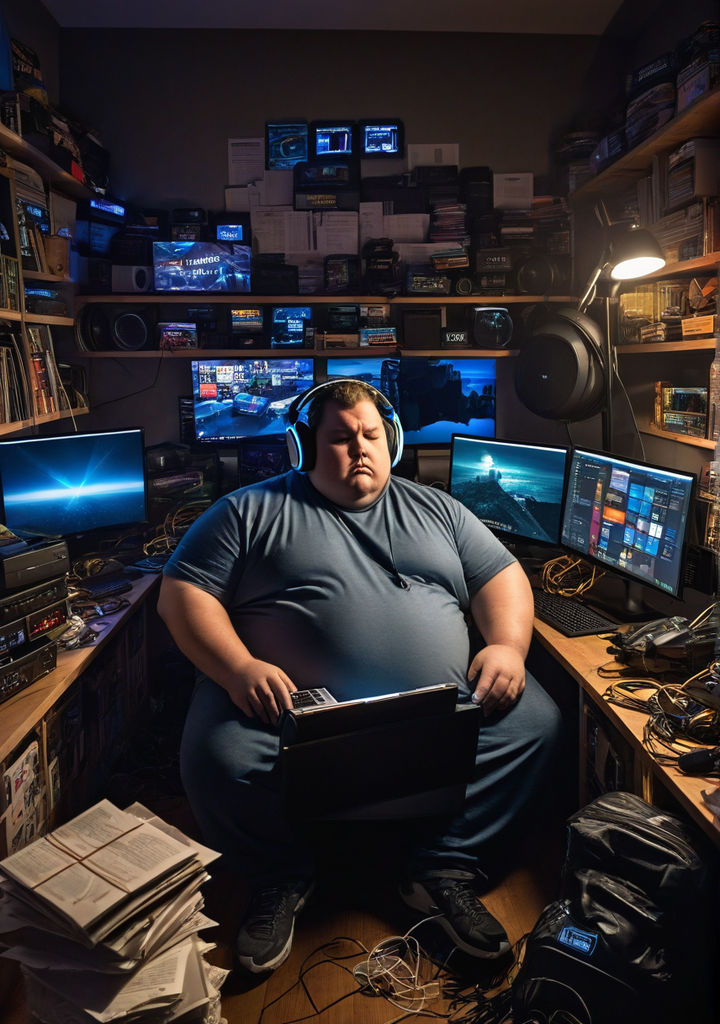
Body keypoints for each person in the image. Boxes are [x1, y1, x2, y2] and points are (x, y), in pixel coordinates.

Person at [157, 378, 561, 976]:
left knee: (536, 723)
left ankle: (442, 868)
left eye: (372, 435)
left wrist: (508, 646)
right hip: (292, 718)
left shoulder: (440, 509)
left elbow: (500, 578)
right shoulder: (247, 511)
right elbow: (181, 596)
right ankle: (280, 879)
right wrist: (238, 668)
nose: (362, 449)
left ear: (391, 439)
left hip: (432, 713)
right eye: (342, 439)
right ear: (304, 446)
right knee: (219, 754)